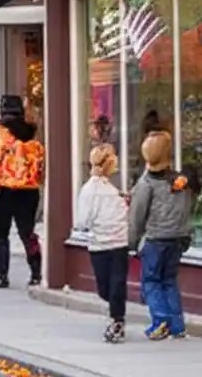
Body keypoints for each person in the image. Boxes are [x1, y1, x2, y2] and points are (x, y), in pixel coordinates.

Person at [129, 130, 196, 341]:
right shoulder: (180, 183)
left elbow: (136, 217)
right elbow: (186, 208)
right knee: (169, 281)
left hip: (155, 239)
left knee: (151, 282)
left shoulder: (146, 184)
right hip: (177, 238)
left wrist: (131, 243)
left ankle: (161, 320)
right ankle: (177, 325)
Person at [0, 97, 45, 289]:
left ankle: (3, 275)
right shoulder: (32, 133)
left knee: (1, 234)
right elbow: (40, 164)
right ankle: (36, 273)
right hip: (29, 190)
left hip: (4, 188)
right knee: (27, 233)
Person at [75, 143, 130, 343]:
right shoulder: (102, 190)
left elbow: (82, 221)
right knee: (114, 285)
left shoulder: (92, 190)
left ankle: (117, 320)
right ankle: (116, 315)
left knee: (109, 285)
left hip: (105, 243)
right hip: (113, 242)